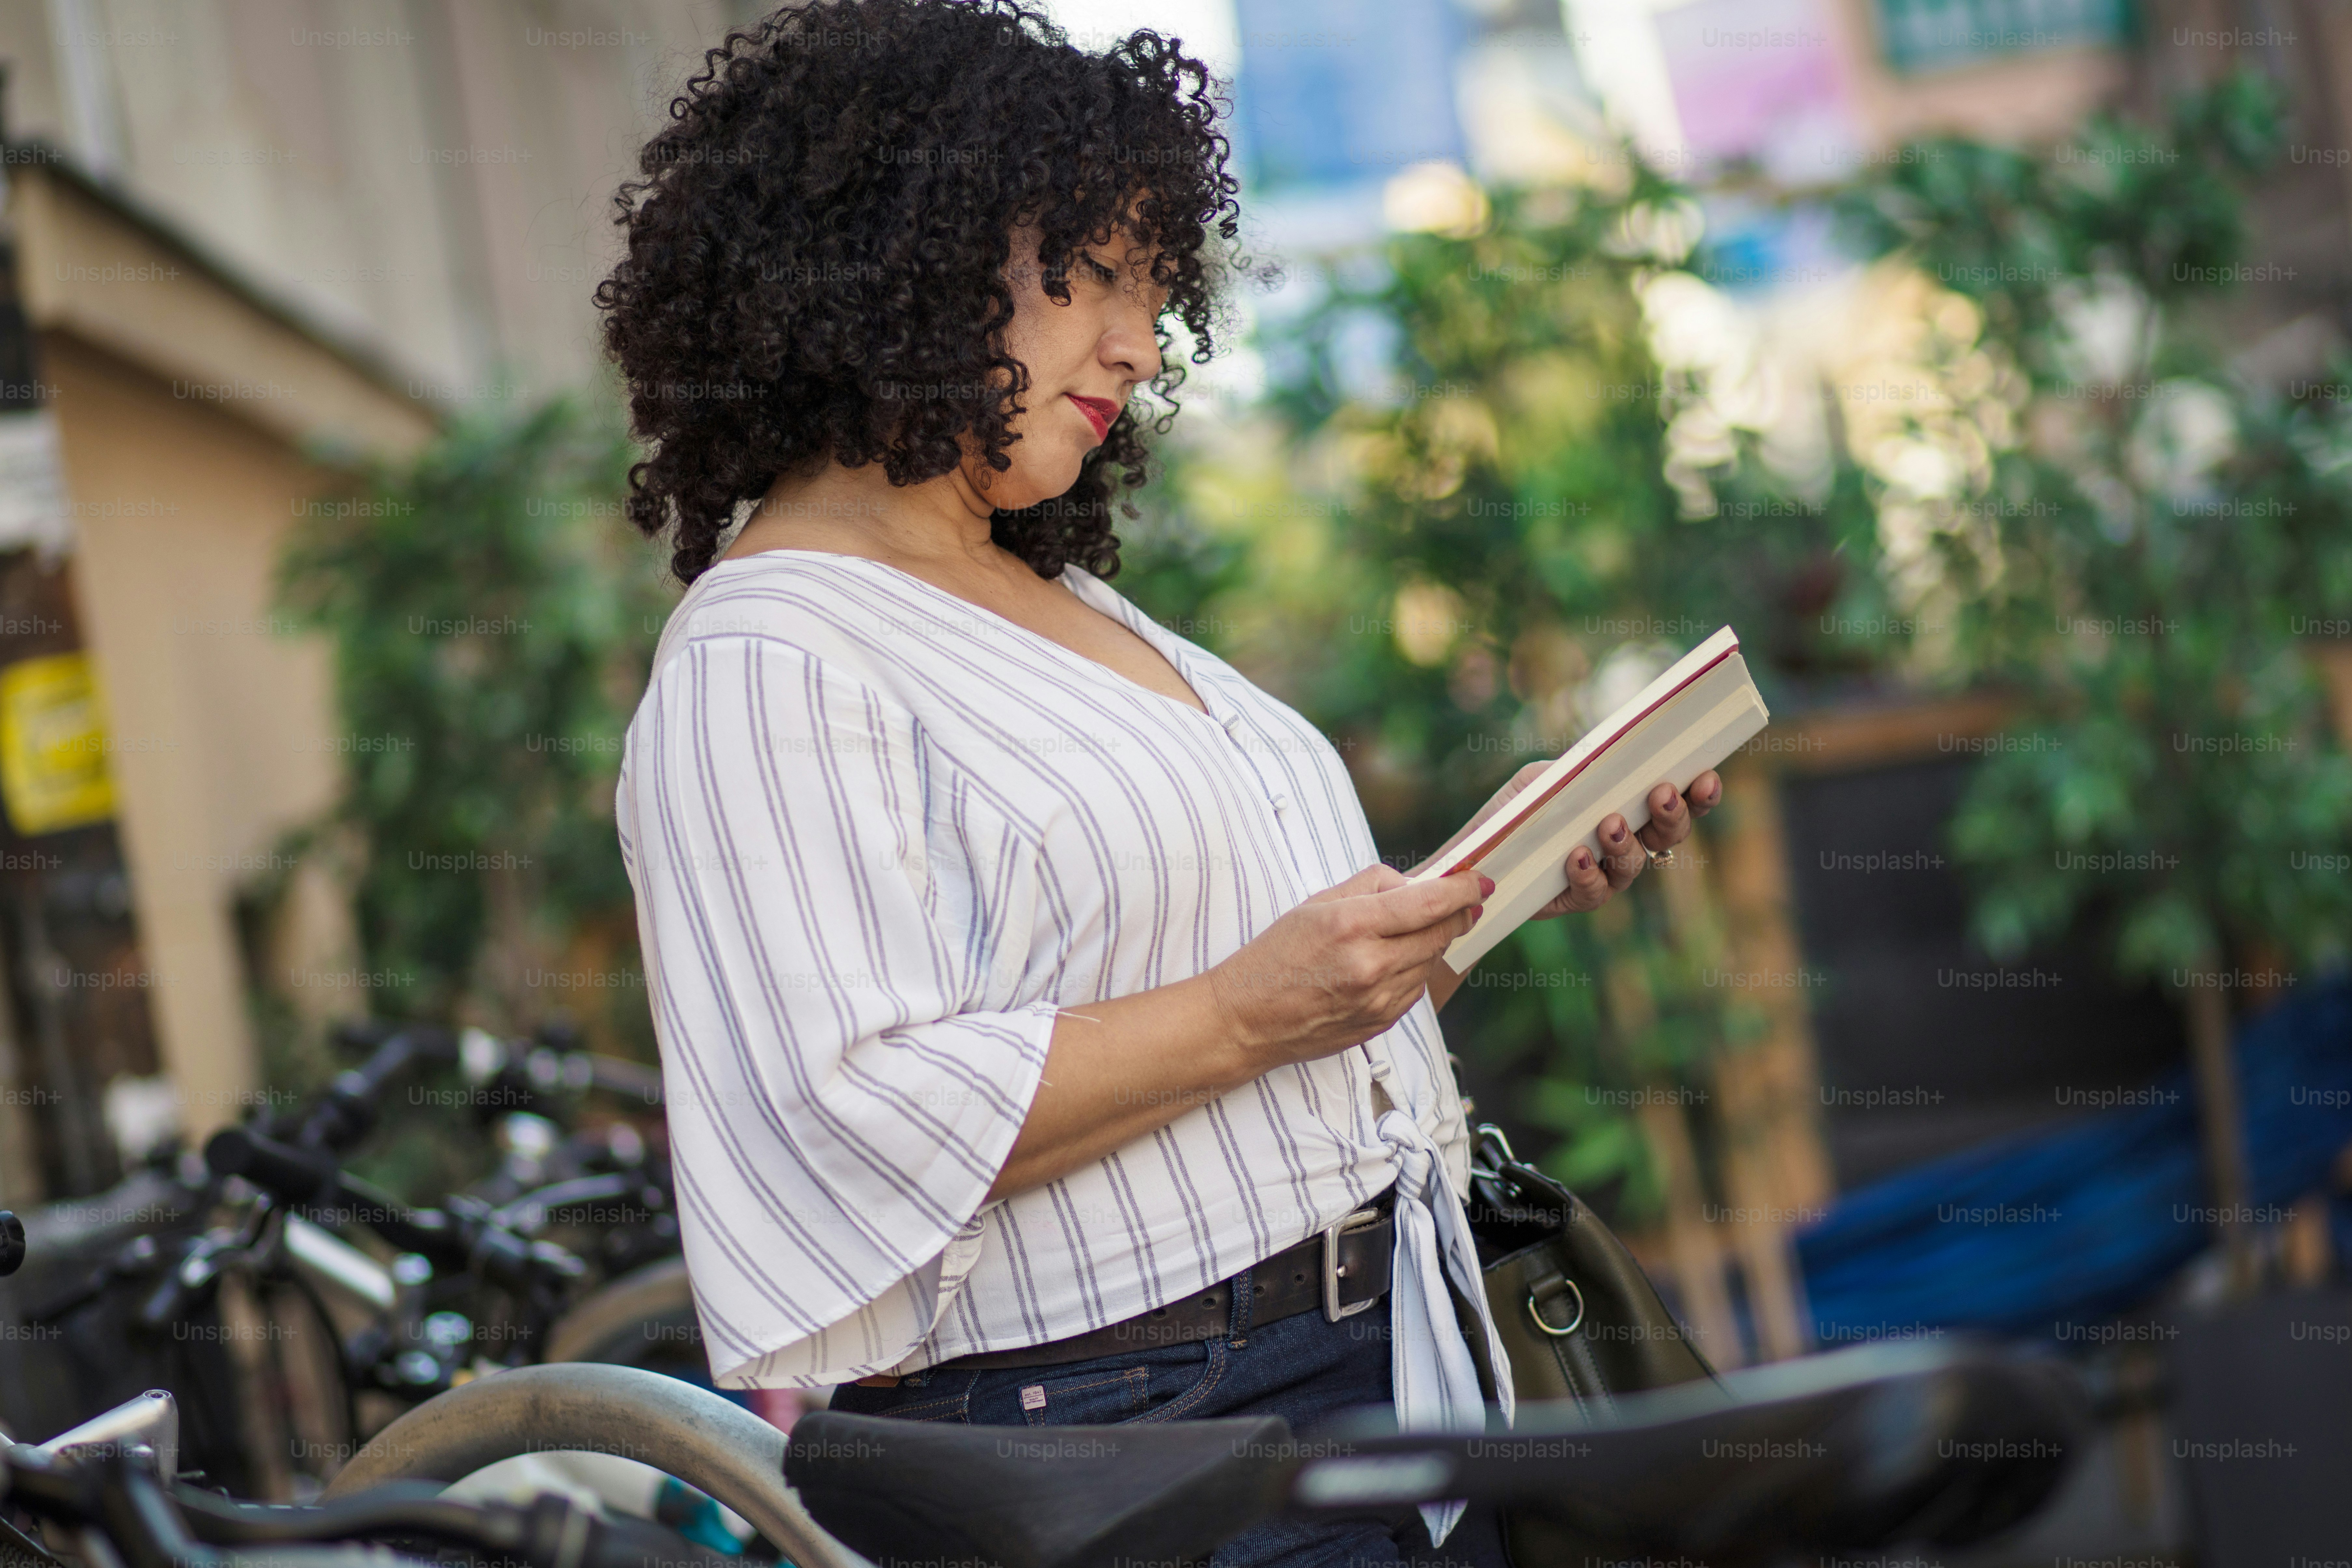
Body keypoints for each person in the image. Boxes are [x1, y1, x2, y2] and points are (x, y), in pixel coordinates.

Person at [598, 3, 1721, 1564]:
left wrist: (1490, 880)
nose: (1139, 339)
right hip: (1137, 1436)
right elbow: (851, 1111)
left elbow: (1230, 994)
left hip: (1381, 1356)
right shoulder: (765, 648)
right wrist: (1260, 1004)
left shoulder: (1054, 594)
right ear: (902, 257)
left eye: (1153, 281)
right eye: (1094, 272)